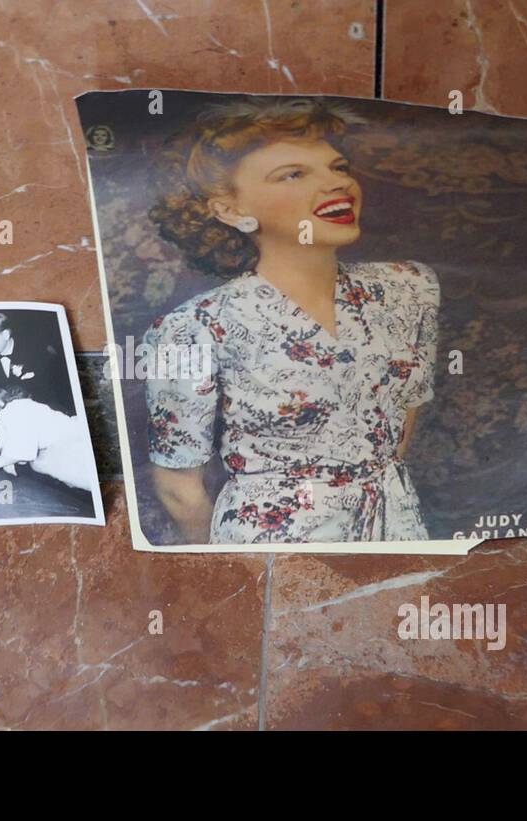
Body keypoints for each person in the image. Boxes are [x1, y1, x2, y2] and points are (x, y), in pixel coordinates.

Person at [142, 97, 441, 545]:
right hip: (271, 546)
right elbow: (179, 489)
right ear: (227, 209)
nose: (336, 185)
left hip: (396, 526)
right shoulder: (193, 328)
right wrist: (228, 577)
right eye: (294, 174)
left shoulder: (409, 288)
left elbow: (402, 420)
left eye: (338, 168)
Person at [0, 382, 96, 491]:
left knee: (91, 481)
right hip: (56, 447)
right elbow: (4, 439)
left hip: (74, 444)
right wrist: (7, 457)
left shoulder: (14, 412)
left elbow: (16, 455)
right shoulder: (2, 413)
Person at [0, 312, 74, 414]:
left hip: (44, 408)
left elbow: (56, 388)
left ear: (6, 334)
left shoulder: (35, 350)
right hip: (6, 411)